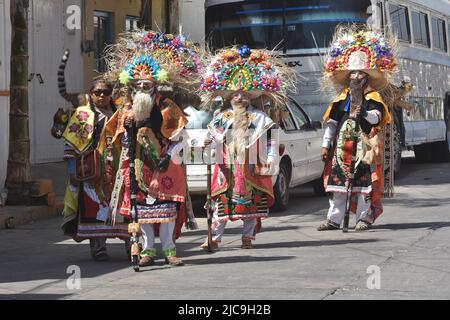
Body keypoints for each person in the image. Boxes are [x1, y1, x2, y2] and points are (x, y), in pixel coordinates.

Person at [105, 31, 201, 267]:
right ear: (132, 86)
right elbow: (115, 137)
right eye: (137, 84)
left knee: (166, 209)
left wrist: (168, 155)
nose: (142, 86)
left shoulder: (168, 107)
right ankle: (147, 251)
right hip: (138, 164)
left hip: (165, 165)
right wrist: (126, 132)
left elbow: (181, 137)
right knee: (142, 212)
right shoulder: (127, 108)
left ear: (155, 85)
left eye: (146, 84)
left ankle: (169, 250)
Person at [199, 45, 294, 249]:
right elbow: (212, 138)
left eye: (243, 94)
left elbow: (271, 140)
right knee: (221, 203)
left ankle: (247, 237)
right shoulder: (222, 118)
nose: (239, 98)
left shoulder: (260, 118)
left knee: (252, 202)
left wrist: (270, 159)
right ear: (229, 98)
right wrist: (209, 143)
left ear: (250, 97)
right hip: (227, 167)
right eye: (235, 95)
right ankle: (214, 238)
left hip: (252, 166)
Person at [317, 26, 397, 232]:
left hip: (364, 147)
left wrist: (362, 113)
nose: (355, 78)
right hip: (342, 146)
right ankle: (334, 219)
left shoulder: (373, 98)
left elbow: (376, 118)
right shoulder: (342, 98)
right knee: (338, 184)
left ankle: (363, 218)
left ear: (366, 78)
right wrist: (326, 144)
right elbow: (332, 122)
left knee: (363, 186)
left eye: (359, 75)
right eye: (352, 74)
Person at [60, 80, 130, 261]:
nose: (101, 96)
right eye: (97, 92)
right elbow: (71, 144)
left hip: (118, 169)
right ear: (91, 94)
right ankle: (98, 247)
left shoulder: (120, 114)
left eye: (106, 92)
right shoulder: (83, 115)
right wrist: (72, 170)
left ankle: (131, 244)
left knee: (123, 206)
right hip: (93, 169)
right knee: (95, 206)